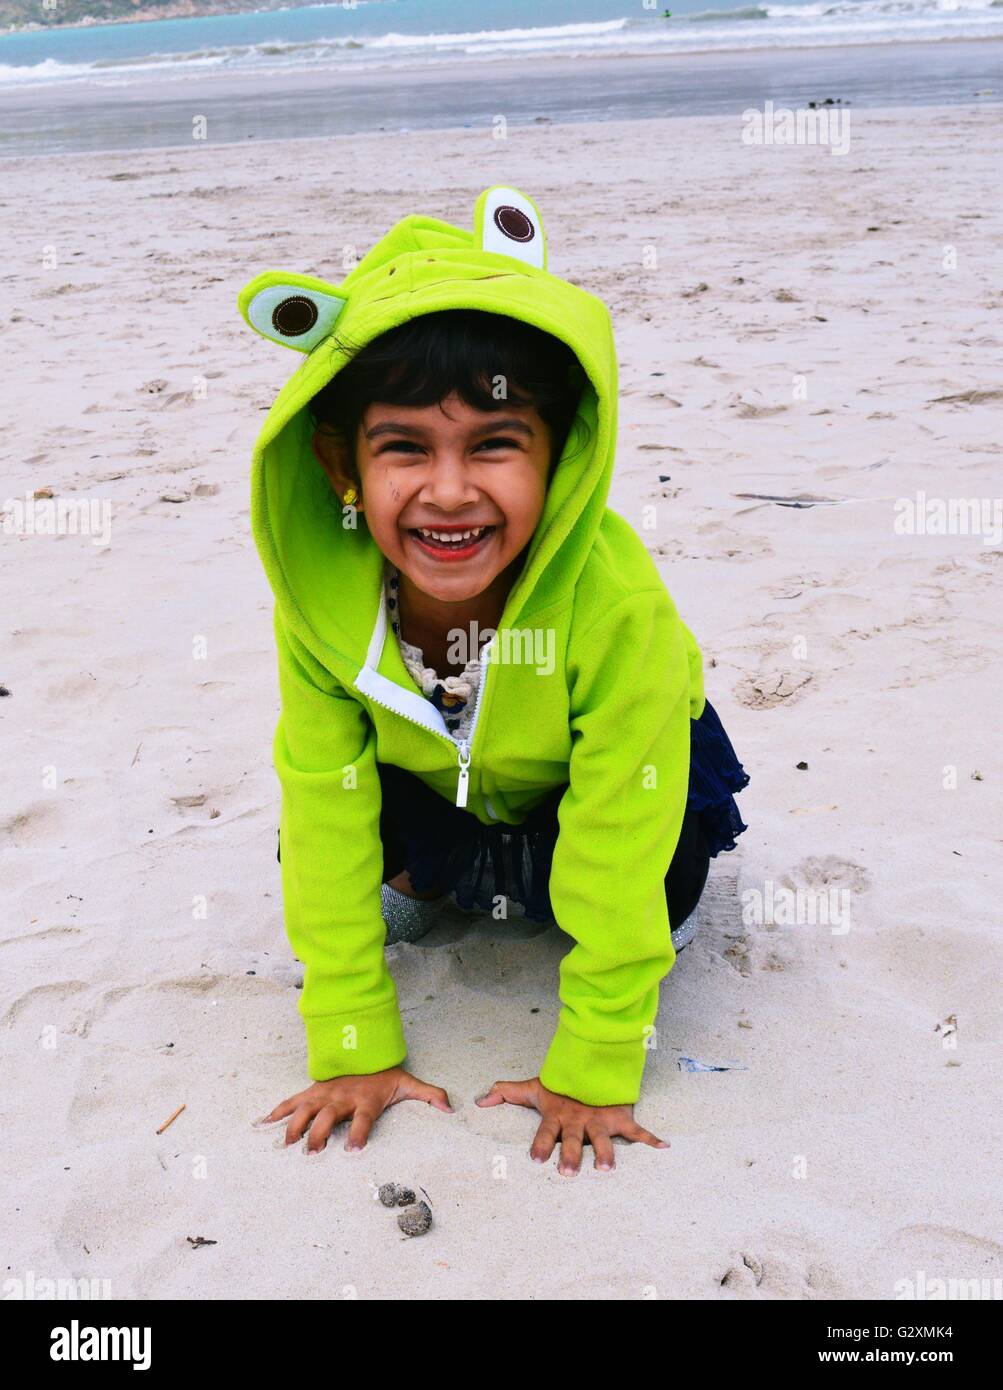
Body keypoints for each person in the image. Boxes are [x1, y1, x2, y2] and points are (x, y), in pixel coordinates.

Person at [241, 186, 749, 1175]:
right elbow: (323, 800)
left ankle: (523, 890)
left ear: (560, 457)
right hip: (444, 786)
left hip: (605, 802)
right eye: (402, 447)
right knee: (331, 850)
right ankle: (466, 876)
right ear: (339, 462)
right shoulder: (322, 602)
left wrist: (596, 1061)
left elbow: (617, 825)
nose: (448, 491)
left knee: (645, 898)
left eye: (495, 443)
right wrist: (351, 1034)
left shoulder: (613, 606)